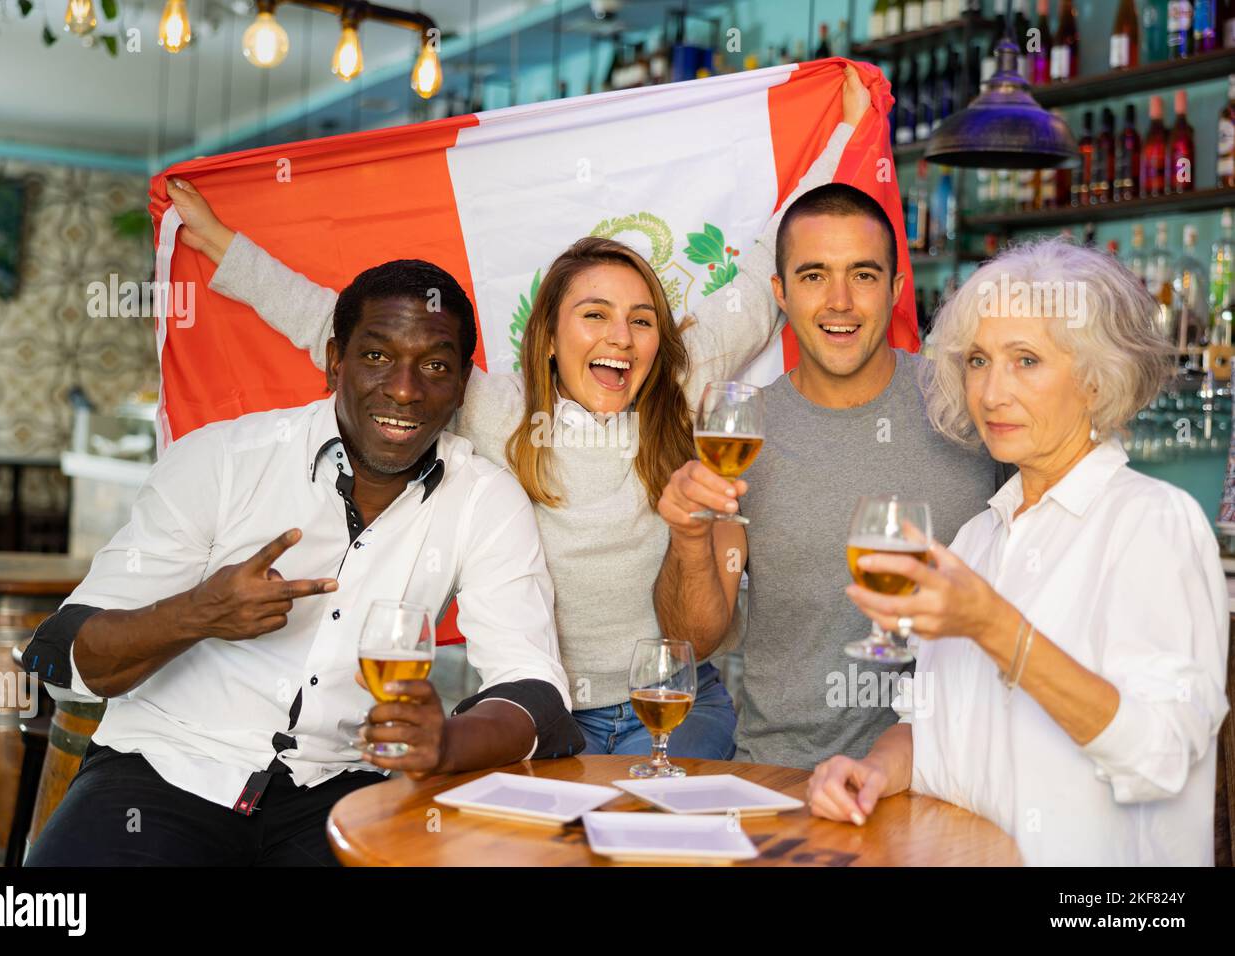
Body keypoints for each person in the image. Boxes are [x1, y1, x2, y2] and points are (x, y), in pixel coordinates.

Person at [162, 66, 874, 759]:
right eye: (594, 315)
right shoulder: (497, 409)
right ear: (552, 335)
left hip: (676, 706)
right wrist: (223, 246)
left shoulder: (685, 385)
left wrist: (841, 138)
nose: (620, 338)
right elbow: (338, 321)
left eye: (640, 320)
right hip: (541, 714)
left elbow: (764, 268)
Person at [23, 259, 581, 866]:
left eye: (436, 366)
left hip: (343, 794)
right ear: (334, 359)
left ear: (462, 386)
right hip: (161, 771)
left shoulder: (483, 498)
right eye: (376, 357)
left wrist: (444, 742)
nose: (404, 388)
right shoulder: (221, 459)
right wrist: (197, 613)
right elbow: (63, 657)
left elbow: (535, 693)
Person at [807, 238, 1230, 865]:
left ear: (1094, 377)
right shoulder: (979, 538)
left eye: (1026, 360)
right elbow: (931, 730)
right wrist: (873, 771)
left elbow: (1160, 755)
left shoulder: (1153, 524)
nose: (992, 392)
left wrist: (995, 626)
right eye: (978, 361)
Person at [653, 182, 1007, 769]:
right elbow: (696, 637)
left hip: (952, 772)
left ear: (895, 291)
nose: (839, 301)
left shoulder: (968, 408)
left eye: (863, 275)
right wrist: (690, 538)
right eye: (814, 275)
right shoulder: (740, 433)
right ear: (781, 293)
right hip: (782, 776)